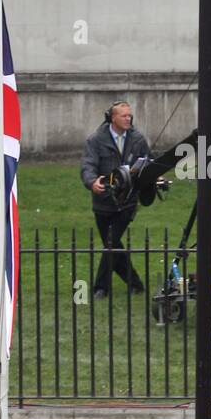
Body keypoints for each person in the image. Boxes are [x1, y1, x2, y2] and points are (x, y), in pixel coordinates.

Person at [80, 102, 149, 298]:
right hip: (103, 202)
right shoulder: (96, 140)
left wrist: (155, 176)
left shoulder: (138, 139)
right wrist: (92, 182)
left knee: (111, 242)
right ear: (113, 118)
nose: (128, 118)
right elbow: (88, 165)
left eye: (130, 115)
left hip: (127, 201)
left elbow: (148, 161)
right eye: (124, 116)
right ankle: (136, 284)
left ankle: (101, 288)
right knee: (114, 245)